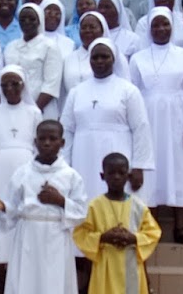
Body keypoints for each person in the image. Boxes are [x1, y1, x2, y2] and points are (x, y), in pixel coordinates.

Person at [0, 119, 88, 294]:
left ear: (62, 142)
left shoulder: (71, 175)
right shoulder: (22, 173)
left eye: (53, 139)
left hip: (56, 243)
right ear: (35, 142)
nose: (47, 143)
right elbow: (12, 207)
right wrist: (1, 207)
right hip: (28, 241)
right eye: (42, 138)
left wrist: (60, 201)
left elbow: (82, 213)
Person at [73, 152, 160, 294]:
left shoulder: (138, 206)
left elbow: (152, 233)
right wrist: (103, 237)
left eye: (122, 173)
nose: (116, 177)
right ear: (102, 176)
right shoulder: (95, 205)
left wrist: (133, 239)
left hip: (131, 267)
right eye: (111, 173)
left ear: (129, 175)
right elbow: (82, 233)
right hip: (106, 268)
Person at [128, 10, 183, 244]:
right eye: (156, 25)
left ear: (172, 27)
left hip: (178, 120)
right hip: (147, 118)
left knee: (178, 169)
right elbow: (132, 92)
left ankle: (180, 227)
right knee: (151, 170)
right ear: (149, 29)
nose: (161, 29)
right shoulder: (138, 58)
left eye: (165, 24)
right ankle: (149, 226)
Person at [60, 39, 153, 222]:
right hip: (83, 157)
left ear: (114, 59)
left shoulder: (129, 90)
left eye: (105, 57)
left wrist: (139, 166)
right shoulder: (76, 92)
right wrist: (64, 165)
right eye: (95, 57)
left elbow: (141, 129)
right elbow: (67, 131)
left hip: (118, 155)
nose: (99, 61)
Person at [0, 67, 42, 294]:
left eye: (15, 83)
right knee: (1, 222)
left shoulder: (34, 113)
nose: (10, 88)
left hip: (26, 170)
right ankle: (1, 282)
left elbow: (41, 145)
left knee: (22, 218)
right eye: (5, 85)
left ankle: (25, 282)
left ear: (24, 85)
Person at [4, 3, 65, 119]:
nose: (27, 22)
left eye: (32, 19)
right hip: (12, 109)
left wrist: (33, 111)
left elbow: (51, 84)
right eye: (22, 19)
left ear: (39, 21)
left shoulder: (50, 47)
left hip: (42, 110)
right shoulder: (10, 47)